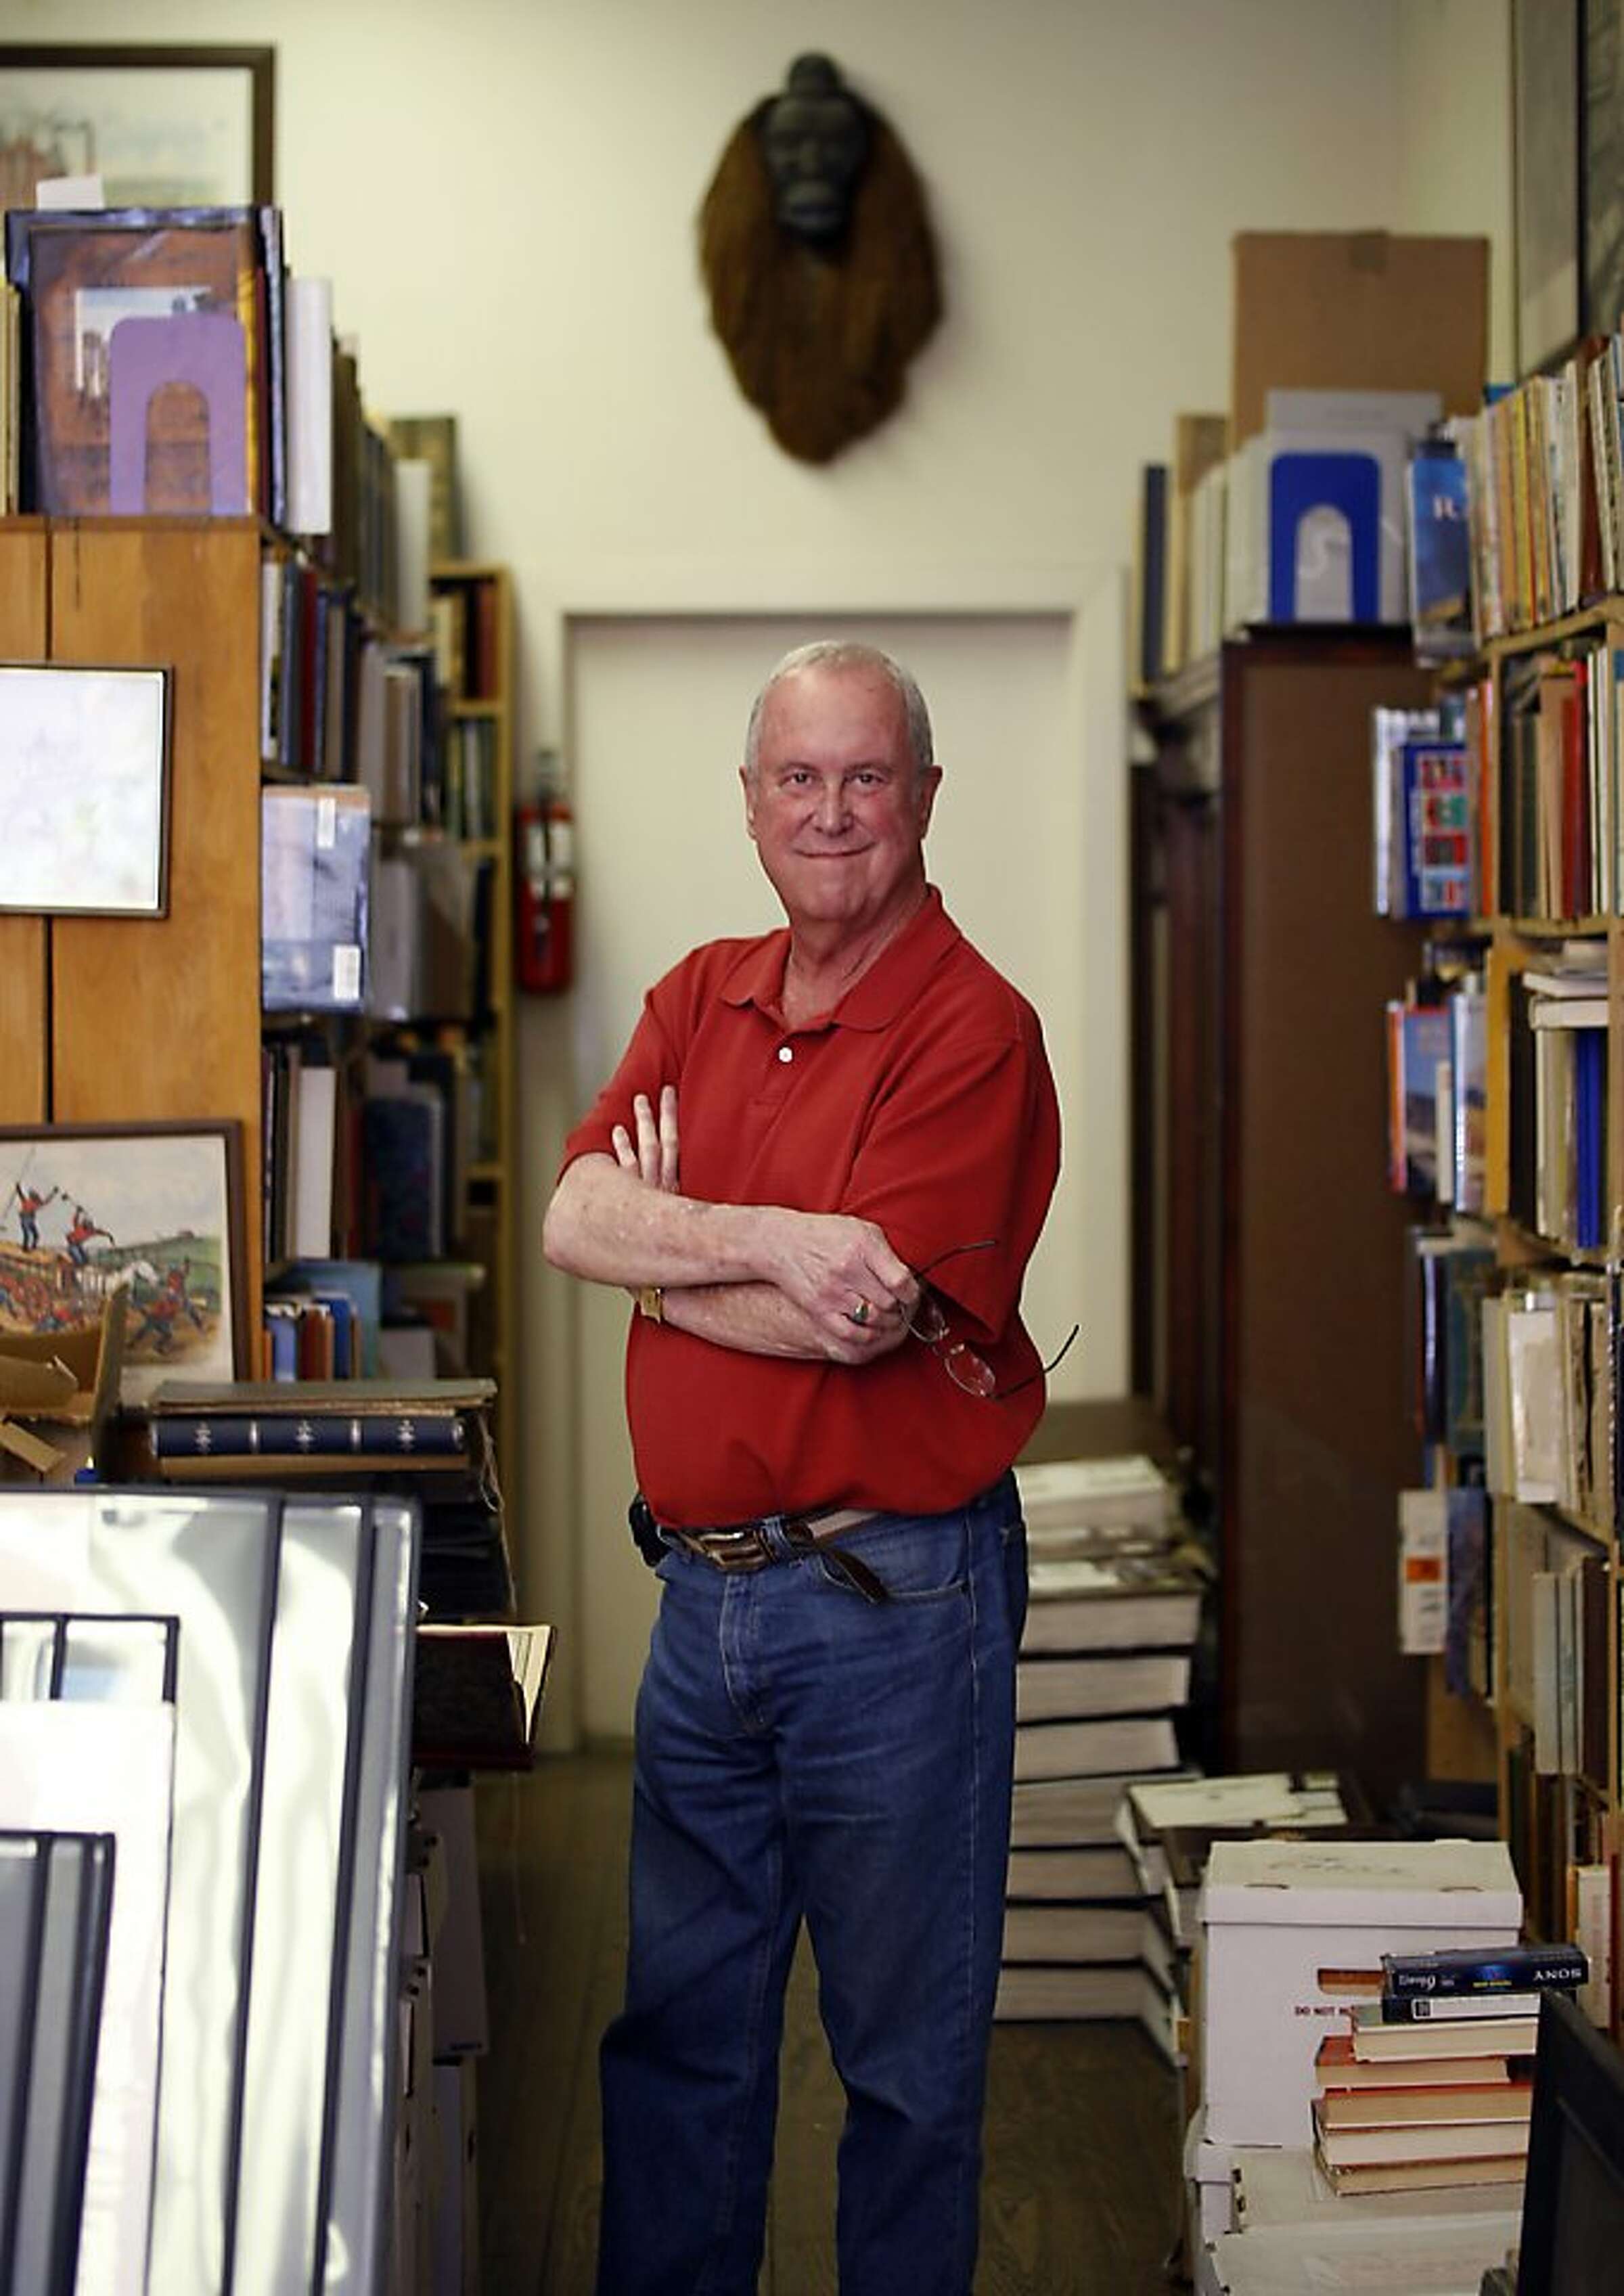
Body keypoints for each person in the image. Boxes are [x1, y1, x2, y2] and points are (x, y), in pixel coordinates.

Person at [543, 639, 1062, 2296]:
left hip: (897, 1607)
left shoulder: (976, 1026)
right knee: (677, 2045)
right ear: (752, 799)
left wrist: (659, 1251)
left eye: (863, 777)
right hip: (703, 1608)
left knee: (906, 2072)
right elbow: (570, 1215)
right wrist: (762, 1235)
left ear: (922, 798)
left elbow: (863, 1316)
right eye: (796, 777)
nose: (829, 811)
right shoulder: (701, 993)